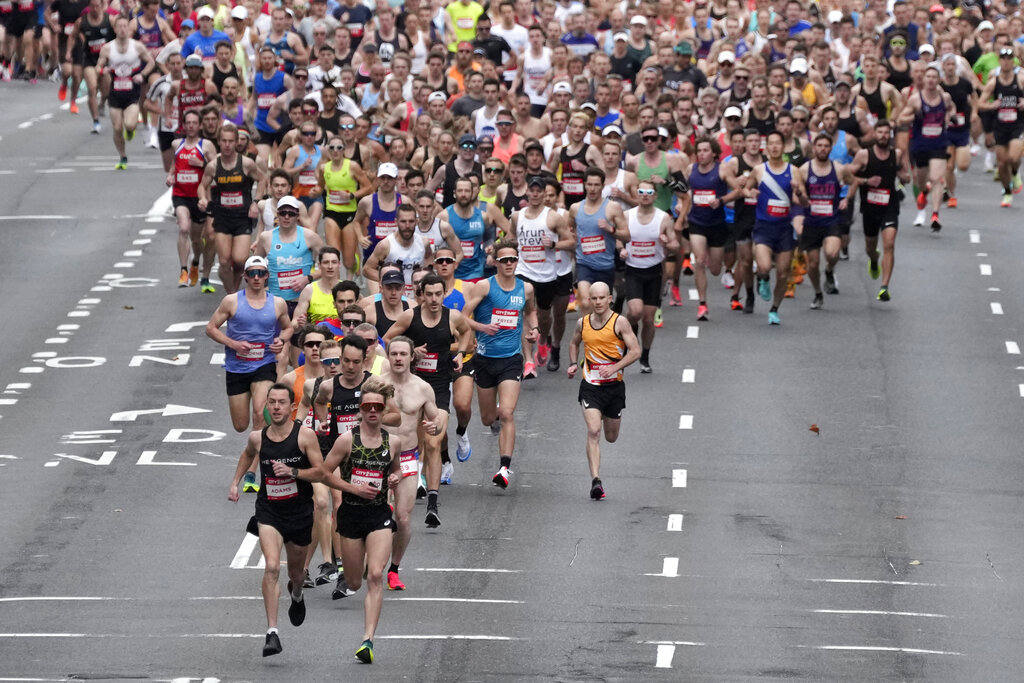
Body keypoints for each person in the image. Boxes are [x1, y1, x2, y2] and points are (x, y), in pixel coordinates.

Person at [227, 382, 326, 657]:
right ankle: (272, 632)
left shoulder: (305, 436)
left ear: (292, 407)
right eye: (272, 402)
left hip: (299, 513)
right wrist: (235, 482)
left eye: (282, 402)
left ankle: (296, 594)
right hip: (269, 511)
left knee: (296, 574)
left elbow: (320, 473)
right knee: (272, 566)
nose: (277, 407)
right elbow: (247, 455)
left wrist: (293, 472)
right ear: (267, 405)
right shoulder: (258, 438)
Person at [319, 376, 402, 664]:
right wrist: (354, 489)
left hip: (379, 514)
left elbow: (396, 470)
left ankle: (367, 640)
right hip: (351, 514)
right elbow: (325, 472)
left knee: (376, 576)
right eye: (367, 406)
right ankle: (358, 568)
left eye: (378, 407)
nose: (372, 412)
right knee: (355, 581)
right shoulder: (346, 440)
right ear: (360, 409)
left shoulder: (394, 441)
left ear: (384, 409)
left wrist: (395, 477)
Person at [384, 273, 473, 523]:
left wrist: (460, 354)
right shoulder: (410, 316)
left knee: (434, 442)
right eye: (429, 294)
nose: (434, 299)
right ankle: (405, 488)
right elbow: (388, 338)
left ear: (444, 294)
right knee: (412, 441)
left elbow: (465, 331)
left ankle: (432, 503)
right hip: (412, 385)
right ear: (421, 294)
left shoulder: (452, 316)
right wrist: (411, 351)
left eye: (438, 294)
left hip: (439, 386)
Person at [207, 255, 294, 492]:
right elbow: (211, 328)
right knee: (240, 424)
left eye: (261, 273)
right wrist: (233, 344)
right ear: (245, 276)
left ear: (267, 276)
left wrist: (280, 341)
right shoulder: (231, 301)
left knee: (259, 412)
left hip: (264, 365)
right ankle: (253, 460)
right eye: (252, 273)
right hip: (236, 368)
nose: (256, 278)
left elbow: (288, 328)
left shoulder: (277, 303)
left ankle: (253, 472)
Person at [460, 239, 539, 489]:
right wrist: (482, 327)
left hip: (511, 360)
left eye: (513, 259)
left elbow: (530, 312)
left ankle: (504, 468)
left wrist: (534, 330)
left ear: (518, 261)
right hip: (484, 359)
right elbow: (461, 316)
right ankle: (493, 417)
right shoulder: (484, 287)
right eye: (504, 260)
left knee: (506, 413)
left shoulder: (526, 289)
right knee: (487, 418)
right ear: (494, 262)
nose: (509, 264)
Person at [565, 281, 640, 500]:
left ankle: (597, 476)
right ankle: (596, 481)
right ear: (588, 299)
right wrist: (572, 362)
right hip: (590, 387)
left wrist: (614, 367)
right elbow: (573, 343)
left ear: (610, 299)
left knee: (611, 436)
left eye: (602, 298)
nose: (598, 302)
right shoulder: (583, 323)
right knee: (593, 431)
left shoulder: (620, 323)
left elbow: (635, 351)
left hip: (614, 388)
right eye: (593, 298)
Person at [378, 336, 440, 588]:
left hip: (407, 457)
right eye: (394, 354)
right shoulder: (376, 385)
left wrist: (433, 427)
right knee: (376, 515)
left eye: (404, 354)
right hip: (378, 457)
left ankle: (393, 569)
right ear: (388, 356)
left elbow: (436, 422)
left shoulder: (423, 388)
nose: (399, 358)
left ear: (412, 356)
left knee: (403, 518)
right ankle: (372, 563)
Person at [507, 175, 574, 377]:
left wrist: (553, 245)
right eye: (532, 190)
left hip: (547, 275)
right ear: (527, 192)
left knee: (544, 317)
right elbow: (511, 239)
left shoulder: (553, 217)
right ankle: (528, 361)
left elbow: (571, 242)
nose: (535, 194)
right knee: (524, 312)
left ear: (544, 193)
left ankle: (543, 342)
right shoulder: (517, 216)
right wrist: (500, 251)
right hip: (523, 272)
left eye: (539, 191)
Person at [743, 130, 807, 325]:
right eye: (770, 143)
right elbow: (746, 187)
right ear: (766, 147)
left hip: (784, 228)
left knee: (782, 272)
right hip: (763, 226)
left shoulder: (794, 170)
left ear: (783, 146)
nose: (774, 147)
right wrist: (750, 192)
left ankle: (774, 309)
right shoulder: (759, 170)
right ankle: (762, 278)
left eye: (778, 143)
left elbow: (803, 201)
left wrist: (798, 191)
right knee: (763, 266)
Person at [846, 120, 910, 302]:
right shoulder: (863, 155)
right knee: (871, 248)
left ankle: (884, 287)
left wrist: (901, 175)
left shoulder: (896, 155)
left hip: (890, 206)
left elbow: (906, 177)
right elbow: (848, 175)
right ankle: (874, 260)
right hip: (870, 208)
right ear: (874, 134)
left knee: (889, 244)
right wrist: (866, 181)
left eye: (886, 133)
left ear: (890, 135)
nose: (883, 136)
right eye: (880, 132)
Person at [198, 122, 265, 294]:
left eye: (230, 141)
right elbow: (202, 184)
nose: (227, 145)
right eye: (224, 141)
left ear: (236, 143)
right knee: (225, 261)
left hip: (242, 216)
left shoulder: (246, 163)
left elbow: (263, 179)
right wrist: (203, 199)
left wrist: (256, 202)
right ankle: (232, 296)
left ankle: (234, 294)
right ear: (219, 142)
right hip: (222, 217)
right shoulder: (213, 165)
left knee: (240, 260)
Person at [622, 179, 677, 372]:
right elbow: (618, 238)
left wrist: (666, 243)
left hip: (654, 271)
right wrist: (621, 249)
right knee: (635, 312)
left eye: (649, 192)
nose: (645, 195)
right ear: (637, 194)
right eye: (641, 191)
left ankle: (644, 357)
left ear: (655, 196)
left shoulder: (663, 218)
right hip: (633, 270)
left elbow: (676, 246)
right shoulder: (627, 216)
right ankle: (626, 333)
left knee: (648, 318)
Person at [686, 137, 740, 321]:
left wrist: (722, 200)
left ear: (714, 153)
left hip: (717, 224)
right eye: (699, 150)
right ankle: (702, 304)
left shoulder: (722, 169)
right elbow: (684, 191)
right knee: (699, 261)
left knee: (716, 269)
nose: (701, 154)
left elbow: (738, 190)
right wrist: (681, 203)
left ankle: (714, 259)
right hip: (696, 222)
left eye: (705, 150)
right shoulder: (691, 170)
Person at [96, 16, 156, 170]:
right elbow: (98, 67)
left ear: (128, 29)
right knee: (117, 128)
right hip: (115, 93)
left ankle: (130, 131)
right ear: (115, 29)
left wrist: (142, 75)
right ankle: (122, 157)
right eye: (119, 26)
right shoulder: (107, 48)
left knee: (129, 125)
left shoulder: (137, 46)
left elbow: (151, 62)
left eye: (125, 26)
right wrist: (104, 70)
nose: (122, 29)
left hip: (132, 94)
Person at [898, 65, 952, 231]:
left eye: (934, 77)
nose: (930, 80)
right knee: (921, 181)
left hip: (938, 143)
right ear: (924, 80)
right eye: (928, 77)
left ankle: (935, 215)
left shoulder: (945, 97)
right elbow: (901, 118)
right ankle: (923, 191)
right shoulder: (916, 99)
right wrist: (915, 114)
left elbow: (951, 108)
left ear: (938, 80)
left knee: (937, 178)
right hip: (920, 144)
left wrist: (949, 118)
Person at [167, 109, 217, 289]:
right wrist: (171, 176)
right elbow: (174, 166)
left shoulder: (207, 146)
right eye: (187, 123)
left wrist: (202, 164)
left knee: (197, 239)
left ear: (200, 125)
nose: (191, 126)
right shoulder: (176, 144)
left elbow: (217, 169)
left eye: (194, 123)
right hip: (180, 195)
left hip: (199, 198)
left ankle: (196, 261)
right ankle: (183, 270)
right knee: (183, 228)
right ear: (183, 125)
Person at [569, 166, 627, 315]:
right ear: (584, 185)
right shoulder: (575, 208)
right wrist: (572, 237)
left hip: (605, 266)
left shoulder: (612, 208)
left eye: (596, 185)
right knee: (586, 303)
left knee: (601, 310)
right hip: (584, 265)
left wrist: (610, 229)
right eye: (589, 184)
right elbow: (570, 229)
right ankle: (588, 338)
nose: (592, 188)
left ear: (602, 186)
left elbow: (627, 236)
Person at [799, 134, 847, 310]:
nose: (823, 149)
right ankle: (818, 292)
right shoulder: (804, 170)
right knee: (812, 264)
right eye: (819, 145)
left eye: (826, 146)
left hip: (831, 220)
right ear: (814, 148)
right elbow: (798, 193)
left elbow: (853, 182)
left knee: (832, 254)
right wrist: (802, 198)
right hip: (811, 223)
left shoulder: (839, 169)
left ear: (831, 148)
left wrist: (846, 198)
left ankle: (829, 271)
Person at [978, 47, 1024, 209]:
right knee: (1002, 163)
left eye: (1009, 58)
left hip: (1017, 125)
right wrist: (992, 105)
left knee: (1013, 157)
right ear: (999, 61)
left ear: (1013, 61)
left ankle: (1015, 173)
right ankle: (1007, 191)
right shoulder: (993, 82)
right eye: (1003, 58)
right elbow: (980, 104)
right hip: (1000, 126)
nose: (1006, 61)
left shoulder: (1020, 79)